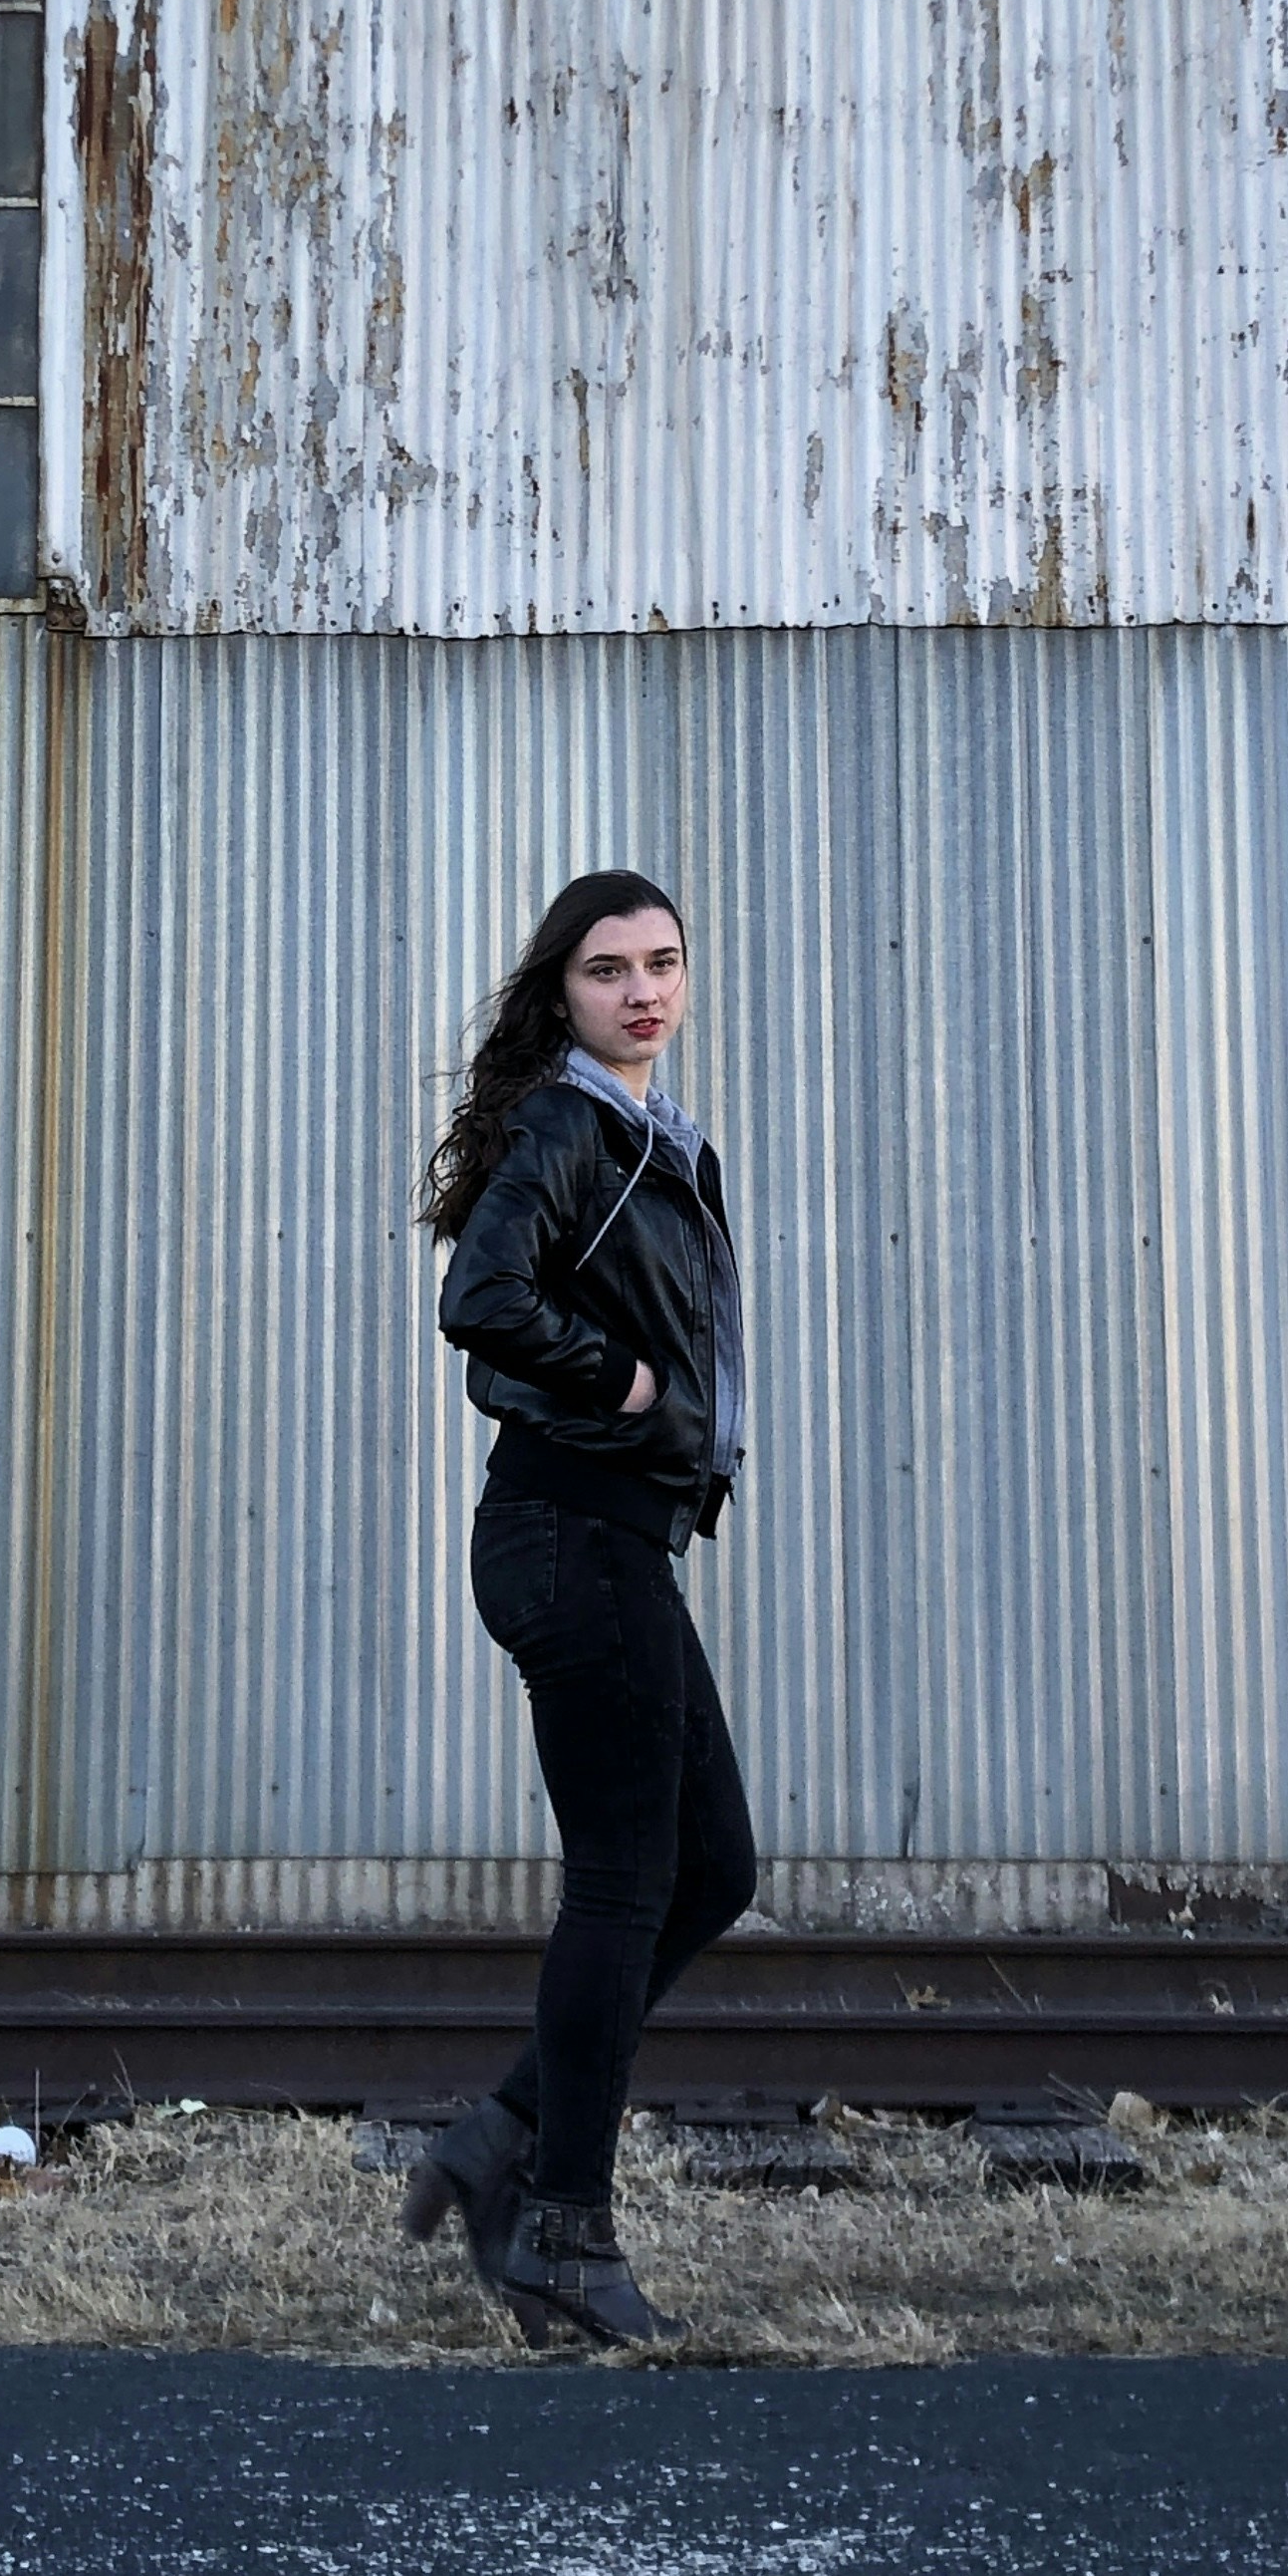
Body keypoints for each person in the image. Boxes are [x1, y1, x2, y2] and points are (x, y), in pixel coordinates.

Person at [403, 869, 757, 2346]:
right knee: (624, 1879)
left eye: (662, 962)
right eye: (608, 968)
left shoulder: (646, 1135)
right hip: (567, 1525)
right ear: (564, 990)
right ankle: (564, 2223)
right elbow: (480, 1295)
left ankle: (502, 2138)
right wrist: (617, 1381)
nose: (641, 989)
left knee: (712, 1866)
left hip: (613, 1534)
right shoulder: (574, 1123)